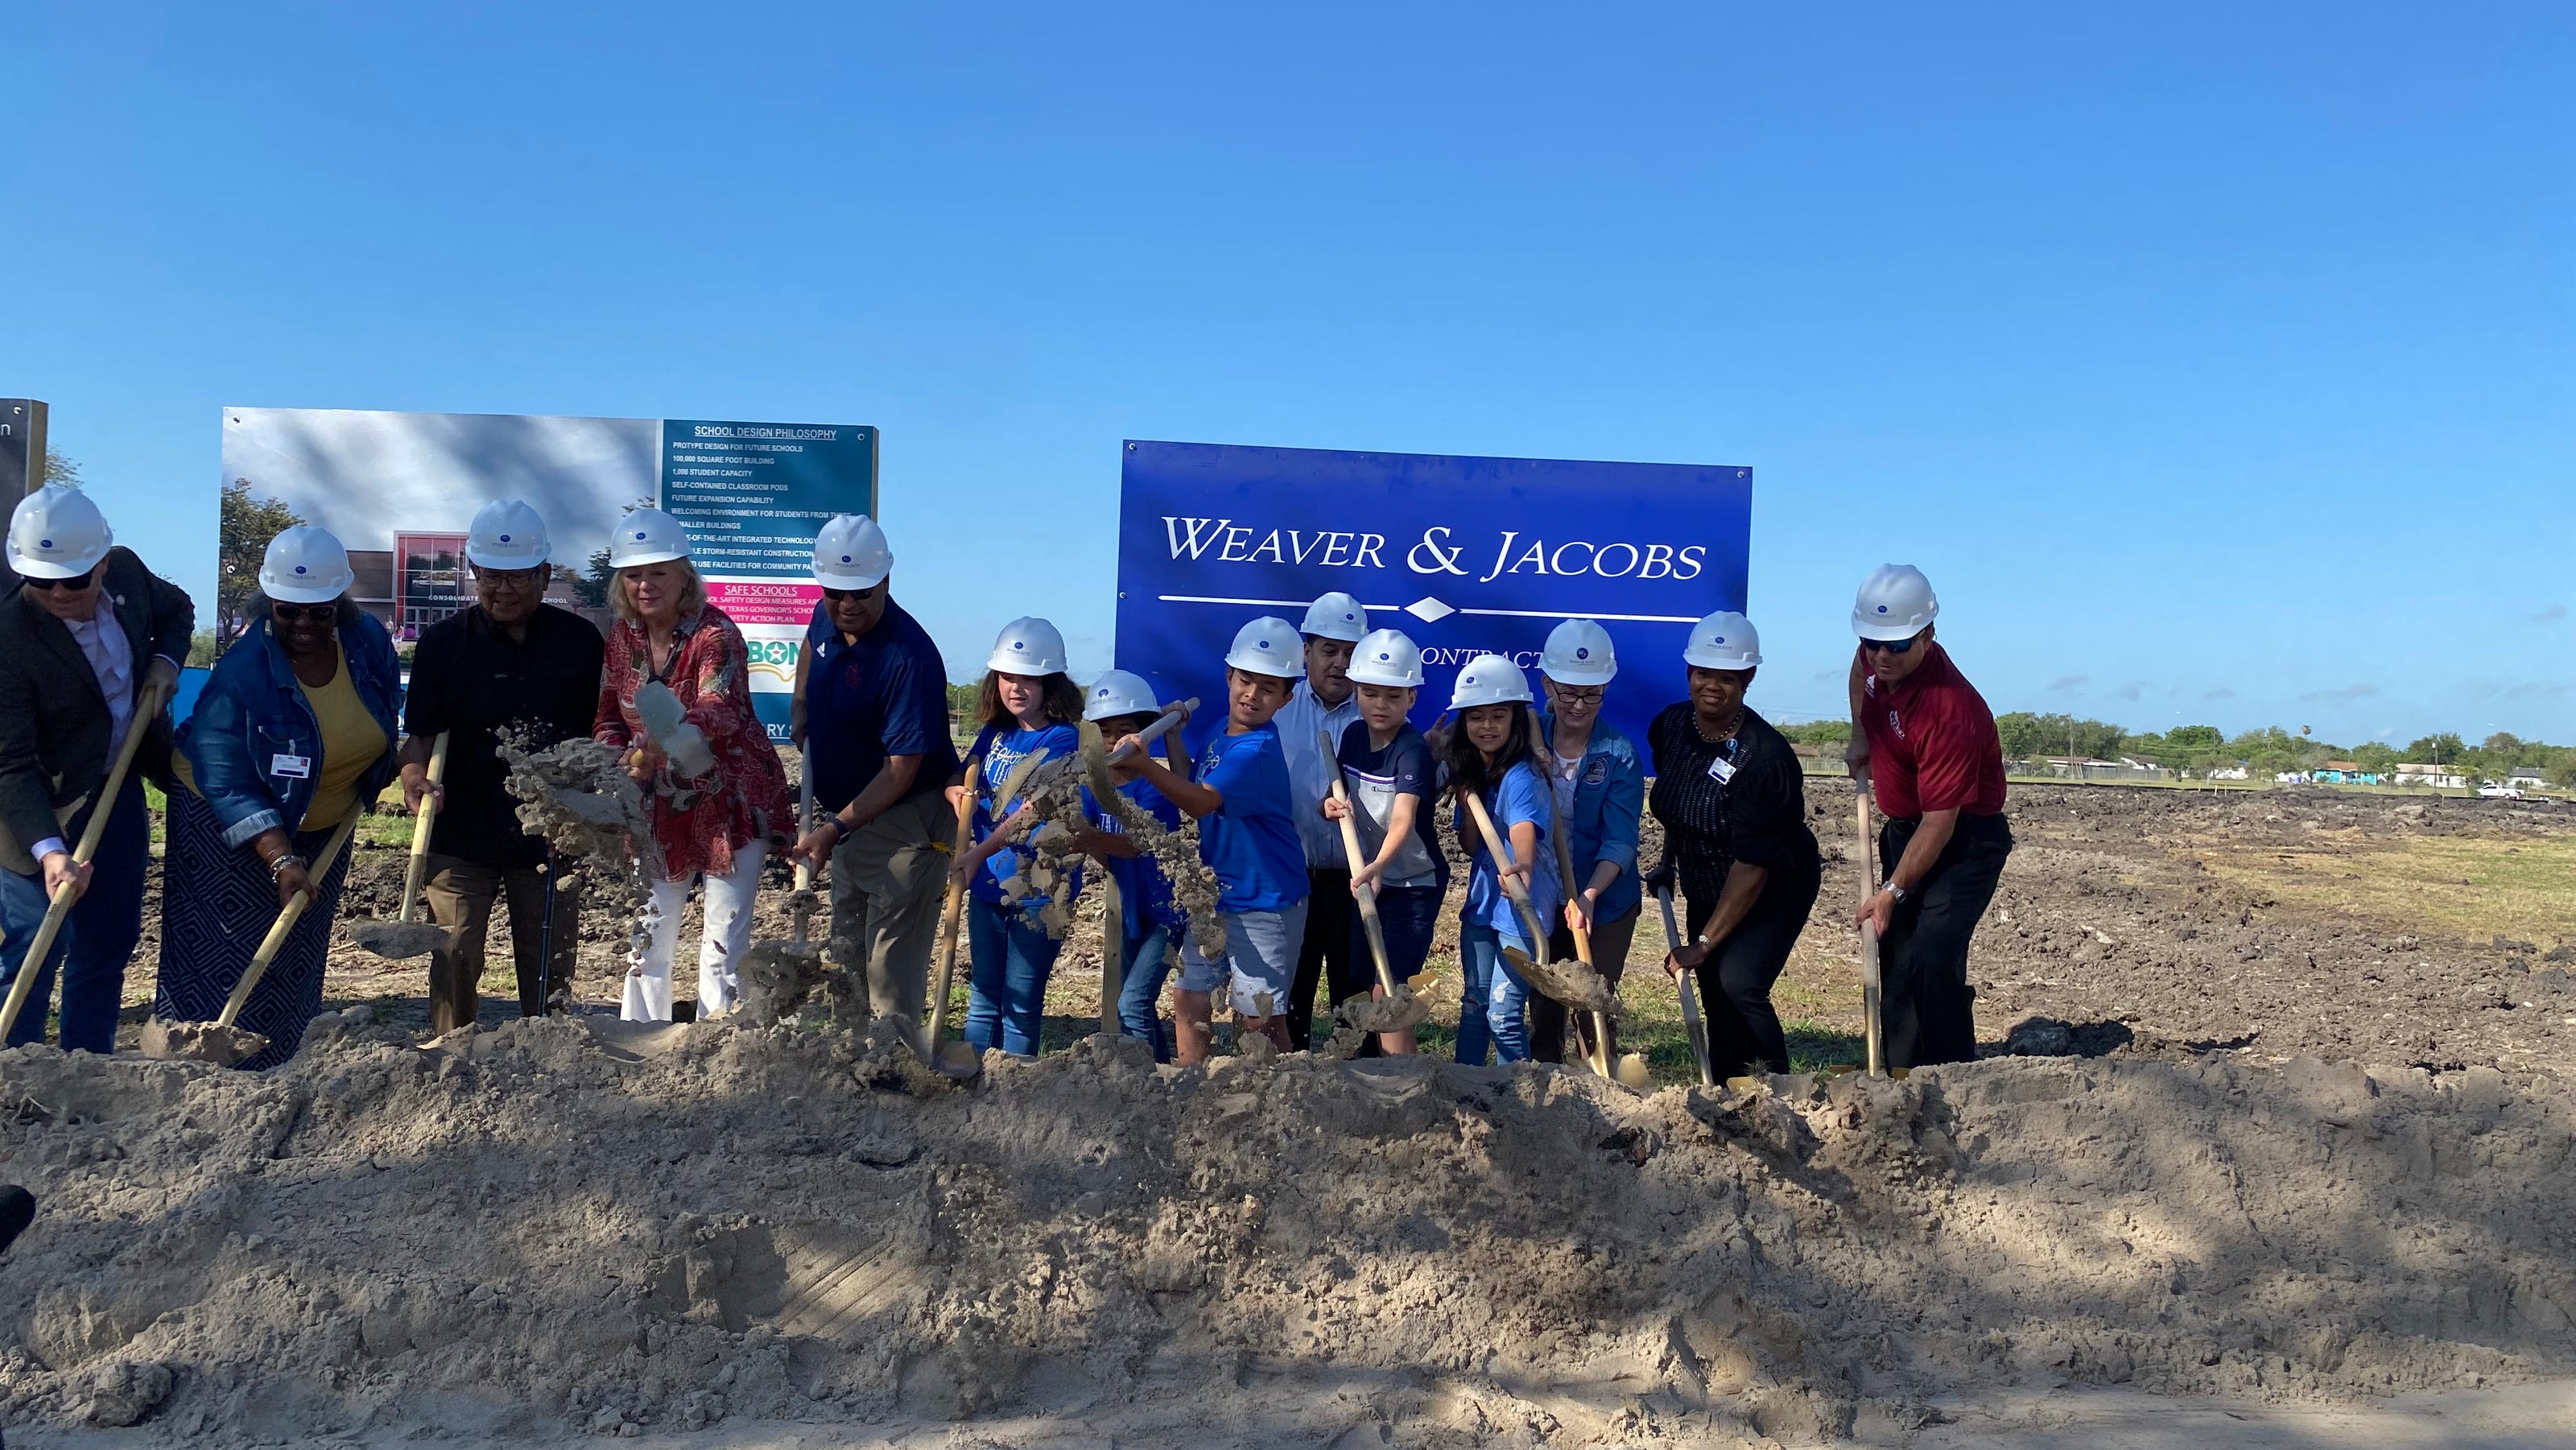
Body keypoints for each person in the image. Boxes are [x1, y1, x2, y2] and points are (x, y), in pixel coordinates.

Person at [158, 527, 399, 1069]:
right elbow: (226, 777)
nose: (305, 625)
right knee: (224, 952)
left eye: (320, 612)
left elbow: (385, 713)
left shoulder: (367, 646)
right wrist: (281, 855)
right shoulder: (243, 673)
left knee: (295, 950)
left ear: (341, 602)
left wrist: (391, 770)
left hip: (325, 818)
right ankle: (203, 1070)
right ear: (269, 604)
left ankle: (284, 1063)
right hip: (226, 823)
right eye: (289, 612)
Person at [0, 485, 192, 1051]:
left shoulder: (130, 575)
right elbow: (10, 764)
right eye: (41, 580)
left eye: (74, 579)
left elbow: (178, 608)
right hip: (34, 803)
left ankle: (85, 1067)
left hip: (115, 783)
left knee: (107, 940)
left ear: (102, 564)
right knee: (35, 934)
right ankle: (19, 1073)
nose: (58, 592)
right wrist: (50, 851)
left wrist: (165, 659)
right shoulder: (9, 639)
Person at [401, 499, 602, 1030]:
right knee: (453, 952)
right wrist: (413, 776)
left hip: (552, 835)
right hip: (462, 828)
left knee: (548, 965)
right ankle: (449, 1056)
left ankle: (548, 1055)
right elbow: (419, 735)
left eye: (518, 577)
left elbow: (602, 736)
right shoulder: (444, 645)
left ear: (545, 574)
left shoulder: (581, 644)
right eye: (492, 576)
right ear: (474, 573)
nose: (504, 589)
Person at [592, 509, 791, 1022]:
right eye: (633, 574)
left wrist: (663, 741)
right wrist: (623, 759)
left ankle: (715, 1052)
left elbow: (718, 707)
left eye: (658, 571)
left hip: (731, 796)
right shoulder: (622, 638)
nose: (645, 584)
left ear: (685, 574)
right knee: (649, 930)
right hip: (658, 799)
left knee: (723, 937)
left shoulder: (715, 635)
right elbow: (609, 715)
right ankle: (640, 1038)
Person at [785, 515, 961, 1035]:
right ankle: (852, 1067)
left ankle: (897, 1066)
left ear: (885, 580)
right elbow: (811, 648)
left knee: (889, 965)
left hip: (908, 822)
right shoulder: (825, 616)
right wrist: (801, 710)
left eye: (860, 593)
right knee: (846, 954)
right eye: (835, 592)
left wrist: (833, 830)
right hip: (849, 822)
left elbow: (900, 770)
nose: (846, 605)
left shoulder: (908, 657)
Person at [1119, 618, 1308, 1065]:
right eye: (1245, 680)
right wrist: (1172, 736)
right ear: (1228, 677)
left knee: (1259, 1018)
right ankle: (1193, 1090)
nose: (1252, 694)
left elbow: (1201, 803)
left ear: (1286, 698)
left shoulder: (1256, 750)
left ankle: (1283, 1097)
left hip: (1266, 900)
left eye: (1268, 687)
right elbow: (1190, 780)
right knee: (1189, 1000)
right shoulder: (1222, 730)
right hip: (1217, 894)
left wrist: (1146, 767)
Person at [1844, 565, 2011, 1068]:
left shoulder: (1949, 711)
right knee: (1895, 958)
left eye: (1896, 645)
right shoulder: (1874, 659)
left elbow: (1941, 822)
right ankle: (1898, 1071)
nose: (1881, 655)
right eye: (1874, 641)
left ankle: (1952, 1076)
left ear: (1928, 635)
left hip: (1964, 843)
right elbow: (1858, 671)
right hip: (1905, 830)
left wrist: (1892, 892)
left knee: (1933, 958)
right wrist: (1859, 733)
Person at [1647, 612, 1822, 1076]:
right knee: (1713, 990)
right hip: (1706, 878)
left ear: (1747, 679)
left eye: (1727, 678)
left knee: (1739, 982)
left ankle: (1778, 1094)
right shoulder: (1672, 726)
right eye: (1704, 673)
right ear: (1688, 673)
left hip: (1772, 881)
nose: (1713, 686)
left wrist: (1702, 943)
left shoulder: (1765, 758)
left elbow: (1753, 863)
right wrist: (1668, 861)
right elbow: (1678, 801)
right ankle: (1730, 1092)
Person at [947, 618, 1084, 1059]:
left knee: (1020, 1004)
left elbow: (1033, 811)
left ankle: (1017, 1089)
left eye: (1029, 678)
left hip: (1038, 889)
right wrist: (954, 790)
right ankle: (967, 1080)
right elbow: (966, 773)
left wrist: (975, 853)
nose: (1016, 688)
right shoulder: (994, 733)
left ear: (1051, 684)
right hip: (989, 881)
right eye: (1008, 676)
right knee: (984, 994)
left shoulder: (1063, 739)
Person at [1319, 628, 1444, 1056]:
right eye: (1370, 693)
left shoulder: (1412, 750)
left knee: (1389, 987)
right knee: (1359, 974)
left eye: (1393, 696)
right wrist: (1328, 808)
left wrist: (1379, 867)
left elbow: (1403, 820)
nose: (1380, 705)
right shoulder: (1352, 735)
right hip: (1371, 876)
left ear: (1411, 698)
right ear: (1356, 691)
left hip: (1412, 884)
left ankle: (1402, 1076)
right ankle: (1368, 1067)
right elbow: (1339, 796)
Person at [1527, 618, 1644, 1068]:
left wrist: (1589, 894)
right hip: (1542, 893)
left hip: (1605, 901)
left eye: (1591, 693)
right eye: (1568, 691)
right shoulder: (1528, 736)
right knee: (1544, 1006)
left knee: (1592, 1002)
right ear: (1547, 684)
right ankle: (1547, 1093)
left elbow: (1620, 839)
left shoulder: (1618, 753)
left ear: (1606, 688)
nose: (1578, 704)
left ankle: (1600, 1093)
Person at [1443, 655, 1560, 1065]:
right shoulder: (1476, 771)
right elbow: (1473, 846)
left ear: (1514, 721)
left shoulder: (1522, 775)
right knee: (1475, 1006)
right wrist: (1466, 796)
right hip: (1482, 907)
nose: (1487, 726)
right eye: (1476, 717)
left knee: (1504, 1015)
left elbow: (1523, 830)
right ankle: (1465, 1090)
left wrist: (1522, 869)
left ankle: (1514, 1100)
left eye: (1498, 716)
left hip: (1519, 909)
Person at [1069, 670, 1191, 1060]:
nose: (1113, 741)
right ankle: (1159, 1070)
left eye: (1124, 730)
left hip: (1167, 912)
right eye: (1103, 732)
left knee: (1132, 1003)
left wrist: (1083, 835)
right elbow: (1099, 848)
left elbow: (1136, 846)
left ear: (1144, 733)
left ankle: (1150, 1085)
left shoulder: (1156, 786)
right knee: (1131, 1002)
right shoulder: (1094, 788)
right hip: (1132, 909)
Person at [1272, 591, 1370, 1049]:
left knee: (1356, 1006)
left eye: (1351, 653)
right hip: (1292, 882)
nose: (1339, 663)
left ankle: (1361, 1099)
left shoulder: (1377, 716)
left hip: (1357, 884)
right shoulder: (1277, 712)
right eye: (1329, 650)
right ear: (1306, 651)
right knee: (1291, 1001)